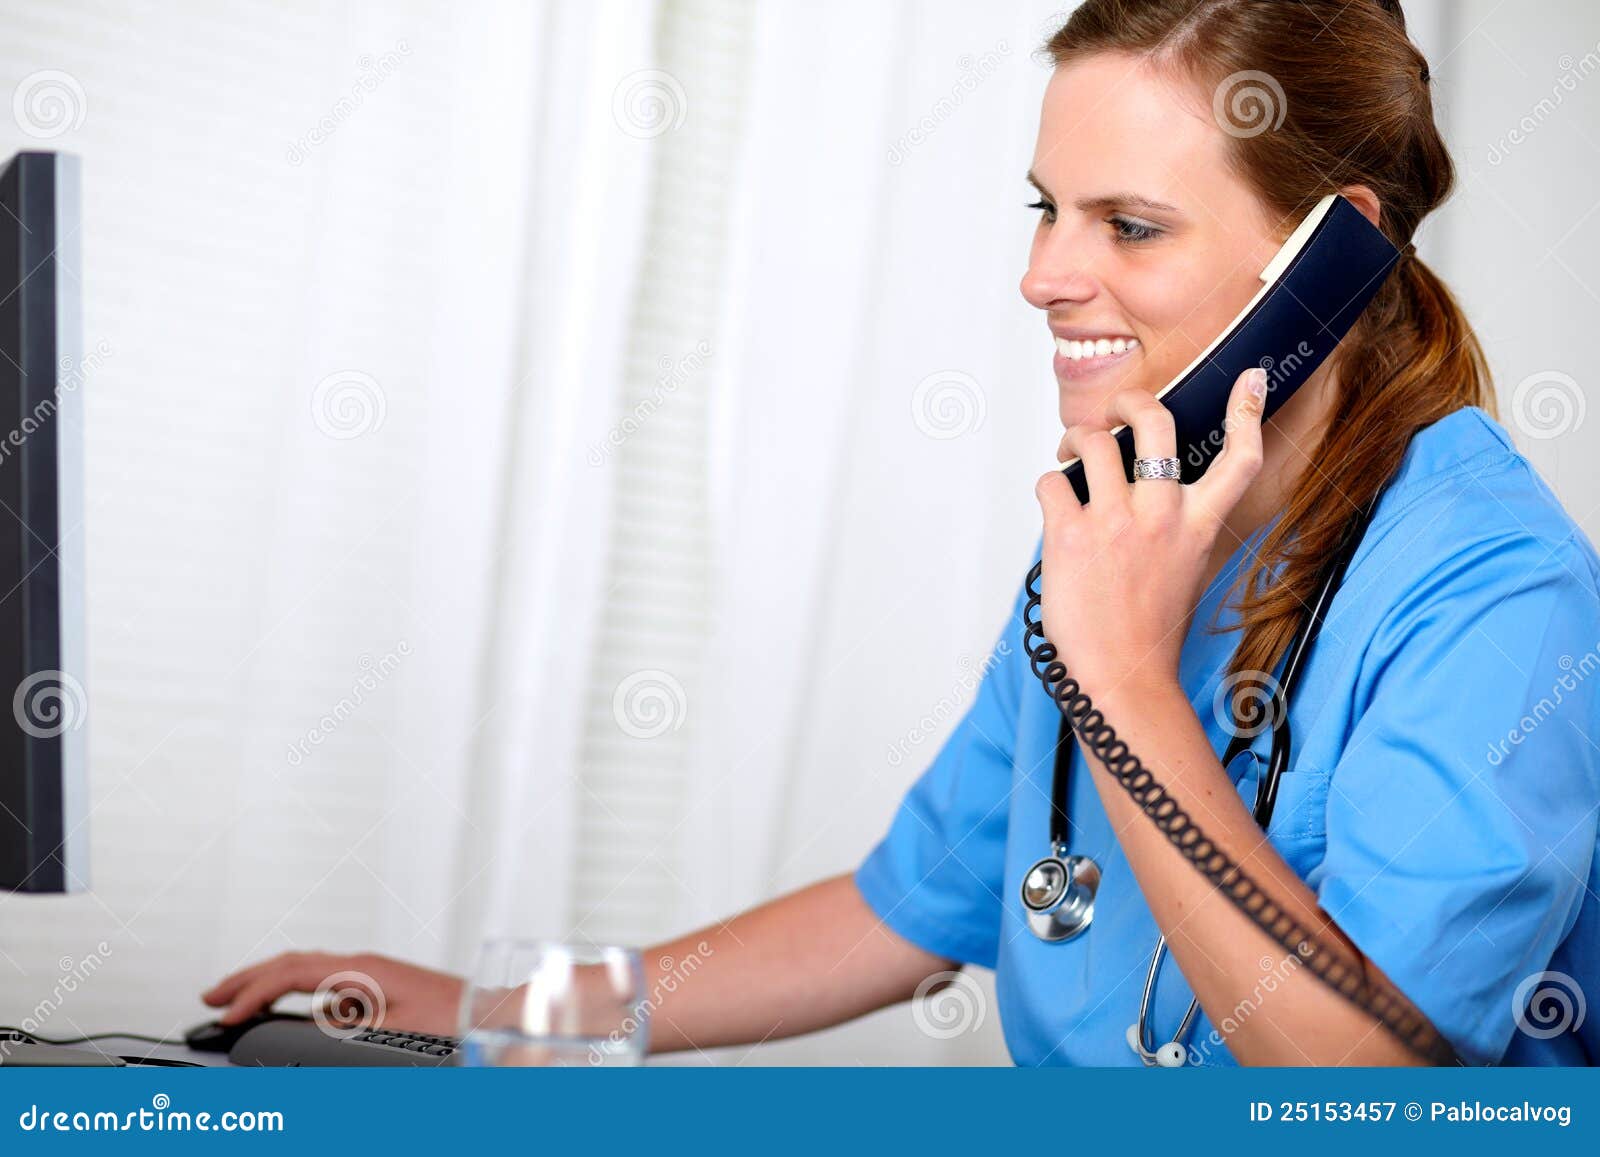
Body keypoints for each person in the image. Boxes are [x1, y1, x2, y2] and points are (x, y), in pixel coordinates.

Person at [203, 0, 1600, 1066]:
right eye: (1051, 210)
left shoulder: (1496, 593)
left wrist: (1121, 680)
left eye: (1131, 225)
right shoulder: (1131, 524)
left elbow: (1377, 1088)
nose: (1044, 274)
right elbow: (897, 910)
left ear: (1332, 258)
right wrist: (495, 1009)